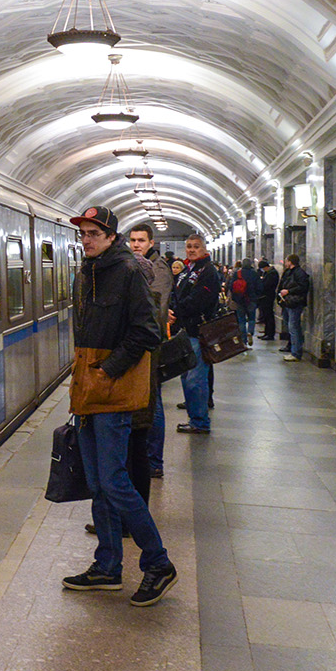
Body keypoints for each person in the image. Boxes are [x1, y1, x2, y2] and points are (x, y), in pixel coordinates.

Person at [63, 205, 178, 607]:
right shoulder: (87, 272)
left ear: (112, 236)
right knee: (97, 483)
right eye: (83, 233)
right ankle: (108, 567)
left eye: (94, 233)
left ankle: (157, 563)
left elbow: (146, 332)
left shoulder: (128, 272)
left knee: (114, 480)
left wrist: (108, 370)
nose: (87, 239)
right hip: (89, 389)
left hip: (113, 390)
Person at [128, 223, 173, 478]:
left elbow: (155, 308)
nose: (136, 245)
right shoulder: (136, 266)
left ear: (151, 243)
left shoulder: (158, 269)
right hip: (145, 342)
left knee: (153, 403)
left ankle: (155, 460)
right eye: (133, 240)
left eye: (141, 241)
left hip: (151, 344)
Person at [168, 233, 221, 434]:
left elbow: (199, 300)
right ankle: (194, 416)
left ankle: (200, 421)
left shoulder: (208, 272)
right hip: (185, 330)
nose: (191, 249)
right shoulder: (188, 270)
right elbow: (178, 293)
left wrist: (176, 312)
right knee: (186, 376)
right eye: (189, 246)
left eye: (196, 246)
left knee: (195, 379)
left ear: (205, 249)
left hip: (198, 331)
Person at [278, 254, 310, 361]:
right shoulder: (289, 272)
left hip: (295, 303)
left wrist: (288, 291)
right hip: (287, 302)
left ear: (290, 262)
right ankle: (292, 347)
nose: (285, 263)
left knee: (294, 327)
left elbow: (303, 287)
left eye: (286, 261)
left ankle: (296, 353)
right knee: (291, 326)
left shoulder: (300, 273)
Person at [228, 258, 261, 344]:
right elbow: (260, 287)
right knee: (251, 318)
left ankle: (243, 340)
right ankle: (250, 332)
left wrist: (235, 297)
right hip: (251, 299)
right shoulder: (255, 274)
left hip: (240, 300)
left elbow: (231, 286)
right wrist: (256, 296)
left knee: (241, 320)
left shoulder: (237, 273)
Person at [257, 259, 280, 341]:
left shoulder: (272, 274)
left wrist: (261, 283)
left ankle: (270, 334)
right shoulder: (269, 273)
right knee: (266, 315)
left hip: (268, 296)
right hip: (265, 296)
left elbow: (267, 285)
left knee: (269, 315)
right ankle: (267, 332)